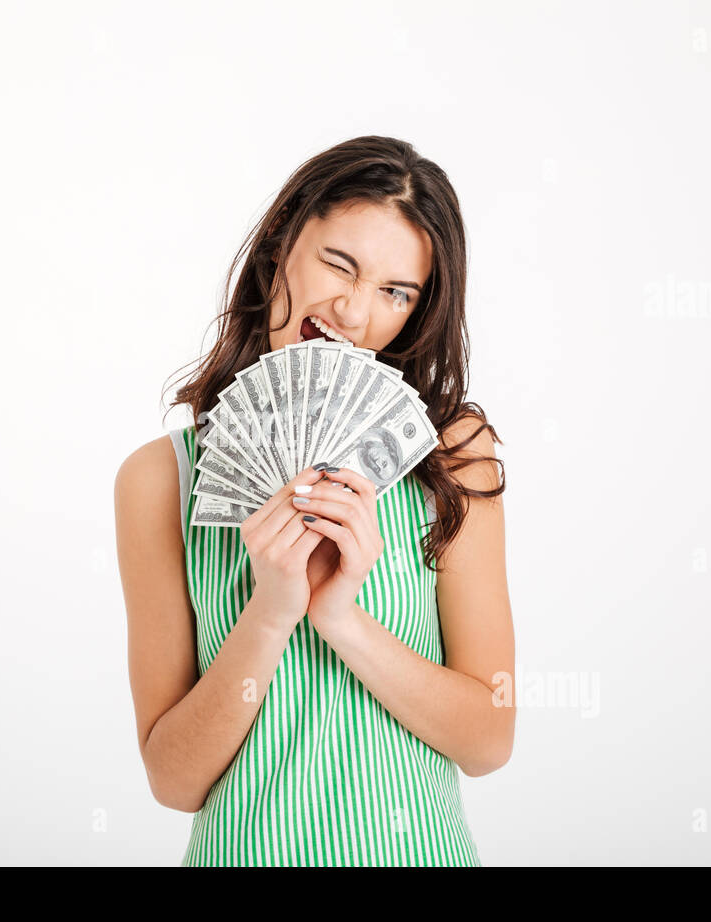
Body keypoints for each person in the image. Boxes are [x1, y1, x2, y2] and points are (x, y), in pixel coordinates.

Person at [114, 135, 514, 866]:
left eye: (397, 292)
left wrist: (339, 615)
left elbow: (490, 738)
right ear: (280, 245)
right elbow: (173, 781)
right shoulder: (159, 479)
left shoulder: (452, 453)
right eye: (341, 264)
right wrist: (270, 613)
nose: (356, 311)